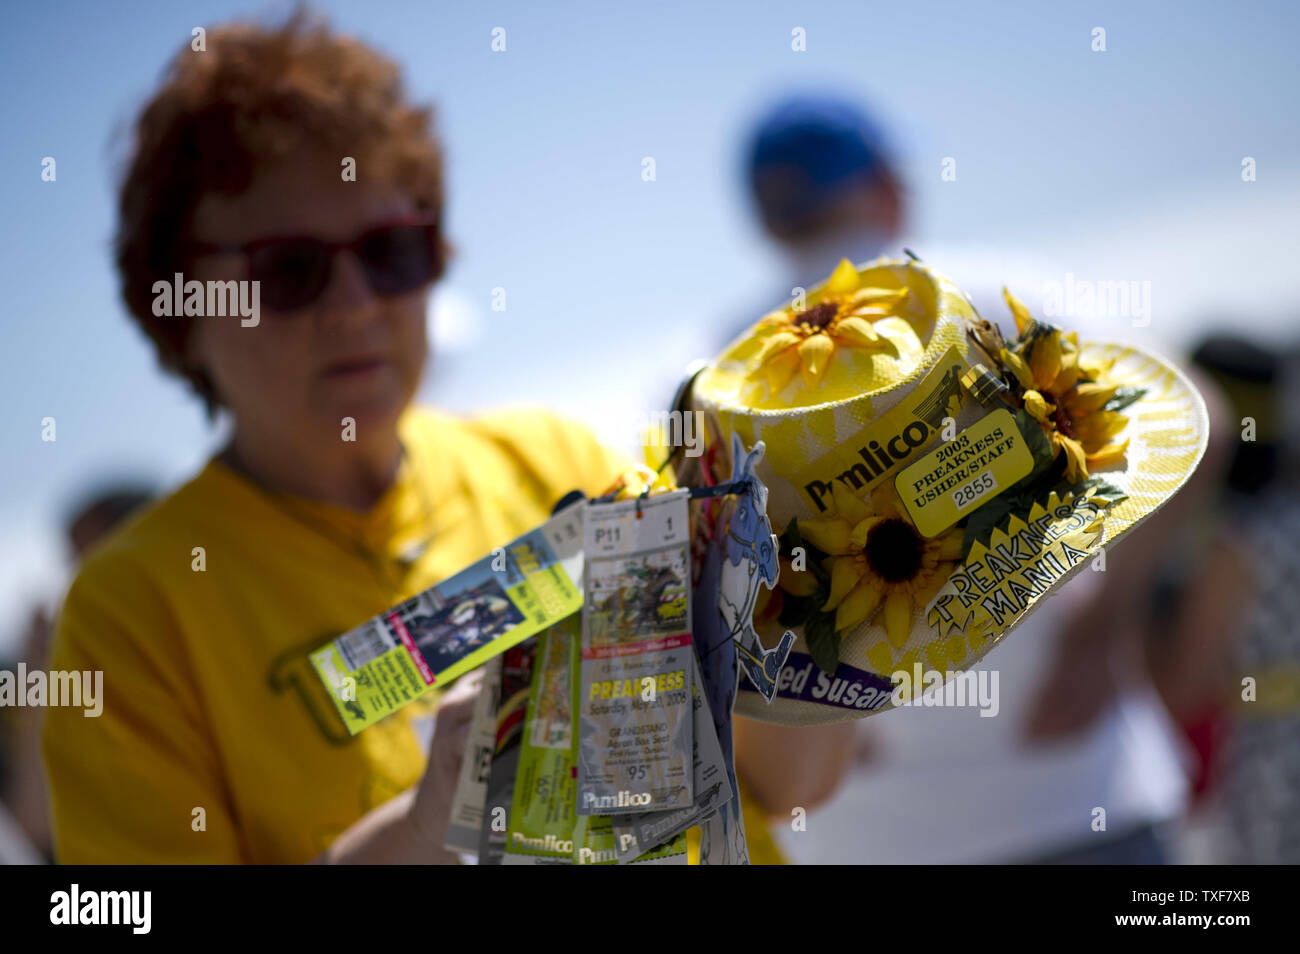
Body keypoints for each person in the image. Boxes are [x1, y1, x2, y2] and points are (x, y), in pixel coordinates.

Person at [41, 10, 638, 865]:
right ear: (177, 310)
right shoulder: (131, 617)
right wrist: (428, 828)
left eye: (392, 251)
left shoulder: (557, 461)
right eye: (289, 270)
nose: (356, 305)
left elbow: (784, 782)